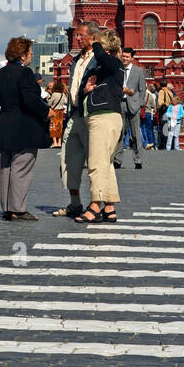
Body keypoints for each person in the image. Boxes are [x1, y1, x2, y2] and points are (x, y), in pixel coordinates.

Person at [0, 36, 50, 221]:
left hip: (6, 124)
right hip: (24, 126)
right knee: (22, 166)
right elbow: (31, 100)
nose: (32, 56)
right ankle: (18, 207)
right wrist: (46, 111)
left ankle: (7, 208)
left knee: (6, 167)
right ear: (23, 54)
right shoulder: (25, 73)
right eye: (30, 53)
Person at [76, 28, 124, 223]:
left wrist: (95, 42)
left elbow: (104, 58)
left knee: (96, 164)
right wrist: (86, 91)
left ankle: (96, 204)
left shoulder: (113, 62)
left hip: (105, 119)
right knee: (106, 164)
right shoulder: (104, 68)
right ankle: (109, 207)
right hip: (100, 117)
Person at [52, 23, 97, 219]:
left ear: (93, 37)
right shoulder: (76, 60)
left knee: (95, 161)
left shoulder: (99, 60)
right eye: (77, 35)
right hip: (74, 114)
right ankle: (75, 203)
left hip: (91, 116)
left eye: (81, 35)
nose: (77, 38)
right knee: (68, 159)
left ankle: (98, 204)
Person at [116, 47, 145, 171]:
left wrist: (140, 104)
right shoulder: (117, 70)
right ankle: (117, 160)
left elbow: (142, 89)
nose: (124, 59)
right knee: (119, 133)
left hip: (134, 105)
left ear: (132, 58)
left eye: (127, 57)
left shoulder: (138, 71)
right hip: (119, 104)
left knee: (135, 134)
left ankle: (138, 160)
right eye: (123, 56)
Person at [47, 80, 66, 148]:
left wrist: (48, 99)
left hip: (54, 111)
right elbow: (65, 102)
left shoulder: (54, 94)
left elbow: (49, 103)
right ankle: (59, 142)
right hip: (61, 112)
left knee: (53, 127)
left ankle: (55, 143)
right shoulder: (63, 94)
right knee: (59, 127)